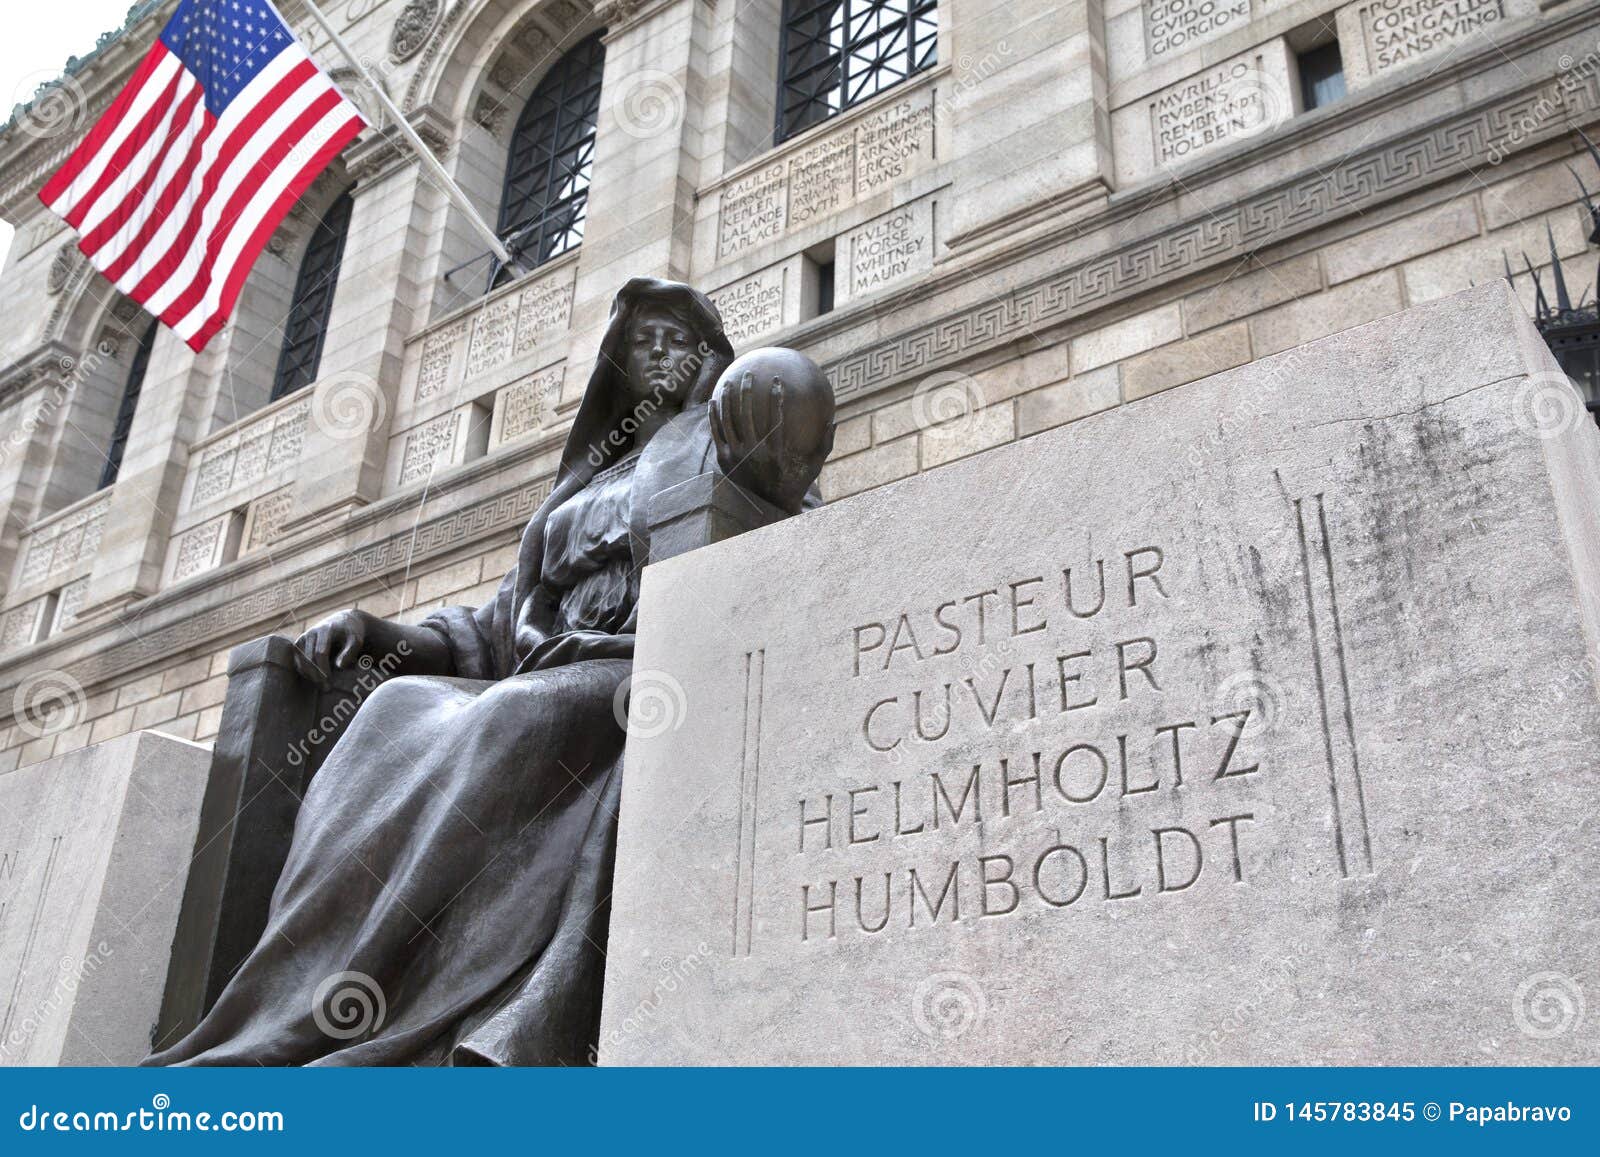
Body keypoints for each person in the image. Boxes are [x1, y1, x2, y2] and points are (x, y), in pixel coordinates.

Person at [147, 278, 835, 1066]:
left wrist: (769, 407)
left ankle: (396, 1009)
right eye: (641, 341)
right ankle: (292, 1004)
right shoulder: (579, 489)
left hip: (646, 670)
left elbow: (790, 526)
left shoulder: (724, 444)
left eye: (677, 339)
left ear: (712, 359)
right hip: (545, 667)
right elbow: (493, 625)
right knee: (393, 709)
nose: (657, 353)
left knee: (509, 718)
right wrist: (379, 630)